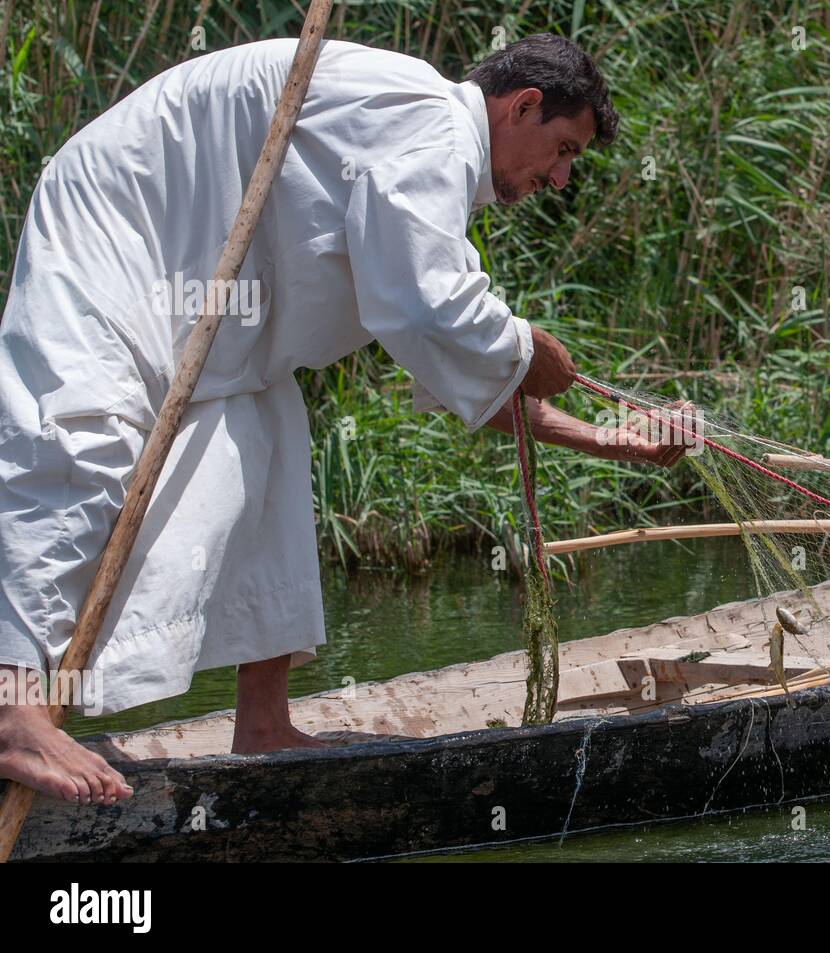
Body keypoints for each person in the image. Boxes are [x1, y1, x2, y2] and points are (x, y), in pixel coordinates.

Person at [0, 33, 685, 807]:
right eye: (563, 149)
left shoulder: (423, 164)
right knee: (74, 447)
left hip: (214, 303)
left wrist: (603, 439)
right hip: (115, 223)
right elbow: (440, 306)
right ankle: (12, 709)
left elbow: (443, 352)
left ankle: (263, 722)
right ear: (521, 104)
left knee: (270, 446)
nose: (560, 178)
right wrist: (528, 344)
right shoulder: (433, 122)